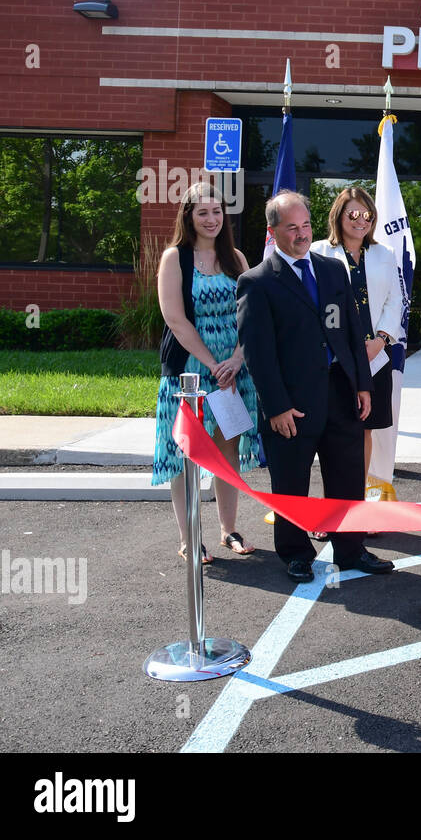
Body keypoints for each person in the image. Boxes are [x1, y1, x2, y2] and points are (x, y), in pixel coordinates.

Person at [237, 190, 394, 584]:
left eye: (306, 225)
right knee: (290, 483)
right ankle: (295, 553)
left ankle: (351, 548)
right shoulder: (256, 282)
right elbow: (258, 353)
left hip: (340, 392)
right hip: (291, 403)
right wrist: (275, 407)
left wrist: (362, 384)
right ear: (273, 231)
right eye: (292, 228)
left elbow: (352, 331)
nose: (302, 234)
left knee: (347, 476)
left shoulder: (331, 270)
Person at [152, 181, 261, 561]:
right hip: (190, 370)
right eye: (203, 212)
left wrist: (235, 360)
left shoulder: (237, 259)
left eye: (217, 212)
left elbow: (252, 318)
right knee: (186, 453)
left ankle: (228, 530)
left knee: (226, 451)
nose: (212, 219)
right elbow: (175, 320)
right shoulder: (174, 258)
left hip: (233, 370)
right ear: (189, 216)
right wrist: (213, 364)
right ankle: (189, 538)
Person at [310, 186, 402, 476]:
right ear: (339, 215)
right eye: (354, 214)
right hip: (334, 360)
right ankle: (333, 503)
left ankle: (358, 499)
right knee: (333, 432)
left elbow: (395, 300)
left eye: (368, 215)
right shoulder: (318, 252)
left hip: (374, 357)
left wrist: (381, 340)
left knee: (365, 430)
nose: (362, 221)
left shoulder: (384, 253)